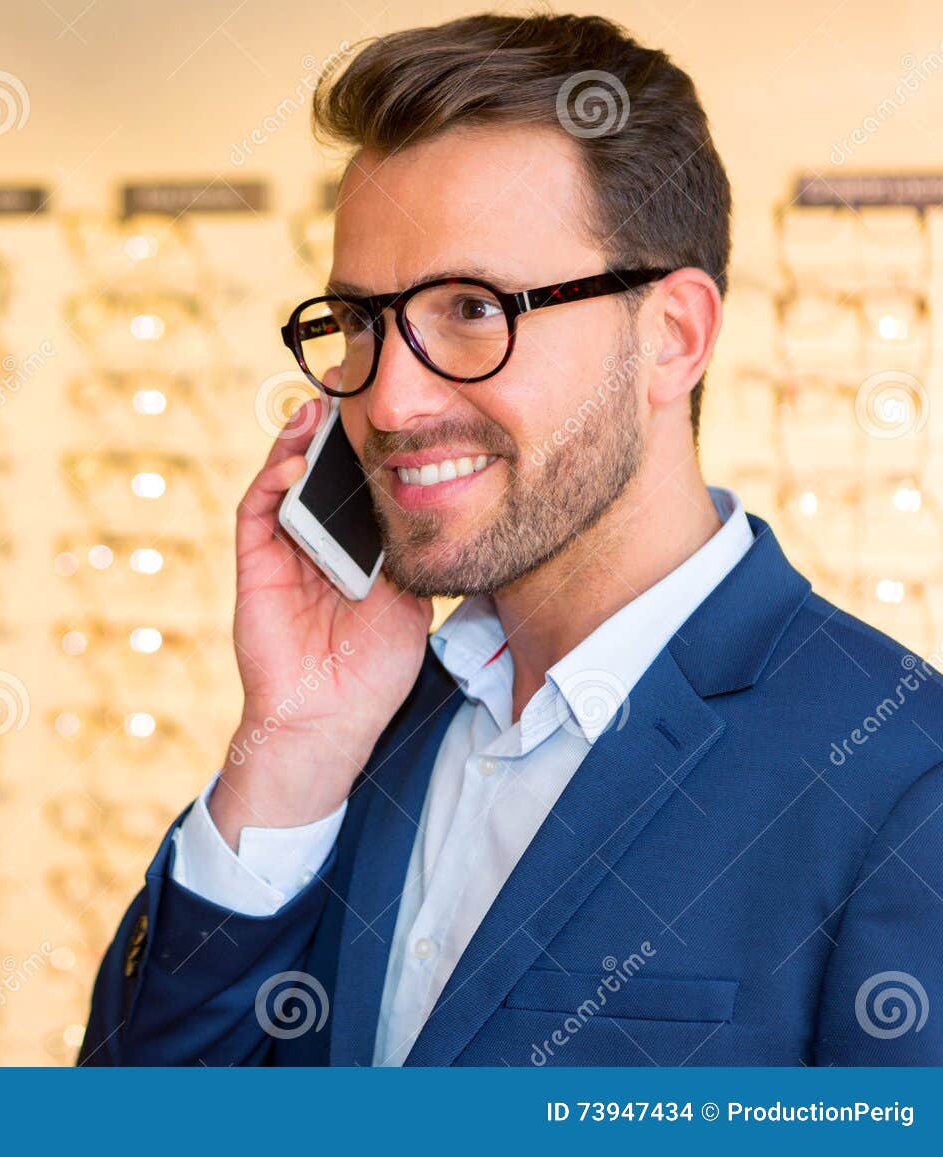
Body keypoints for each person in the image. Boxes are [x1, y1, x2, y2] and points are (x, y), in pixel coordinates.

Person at [80, 11, 943, 1066]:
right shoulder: (352, 727)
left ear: (672, 336)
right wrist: (292, 746)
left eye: (472, 309)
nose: (389, 401)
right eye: (360, 322)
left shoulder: (903, 780)